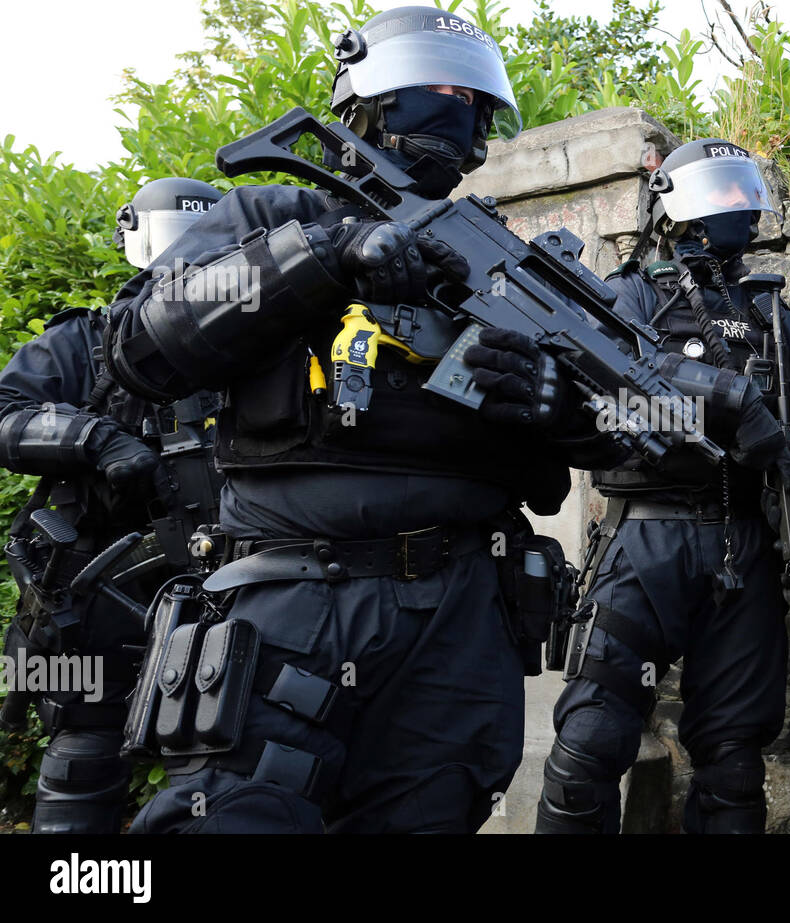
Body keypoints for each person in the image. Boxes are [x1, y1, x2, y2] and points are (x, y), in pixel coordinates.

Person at [102, 4, 678, 834]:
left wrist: (557, 403)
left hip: (459, 620)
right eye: (441, 93)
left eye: (477, 105)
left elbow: (618, 430)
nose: (463, 119)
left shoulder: (503, 258)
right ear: (372, 99)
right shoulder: (268, 217)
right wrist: (326, 257)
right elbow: (141, 345)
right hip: (291, 603)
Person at [534, 138, 790, 834]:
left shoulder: (775, 320)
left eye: (746, 191)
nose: (740, 204)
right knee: (590, 742)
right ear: (679, 206)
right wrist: (732, 399)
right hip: (645, 535)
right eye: (723, 191)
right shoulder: (629, 296)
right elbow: (603, 379)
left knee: (736, 760)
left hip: (743, 540)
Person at [0, 177, 224, 834]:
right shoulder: (87, 341)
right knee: (82, 760)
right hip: (94, 589)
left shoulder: (250, 351)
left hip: (222, 583)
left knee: (216, 760)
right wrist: (95, 437)